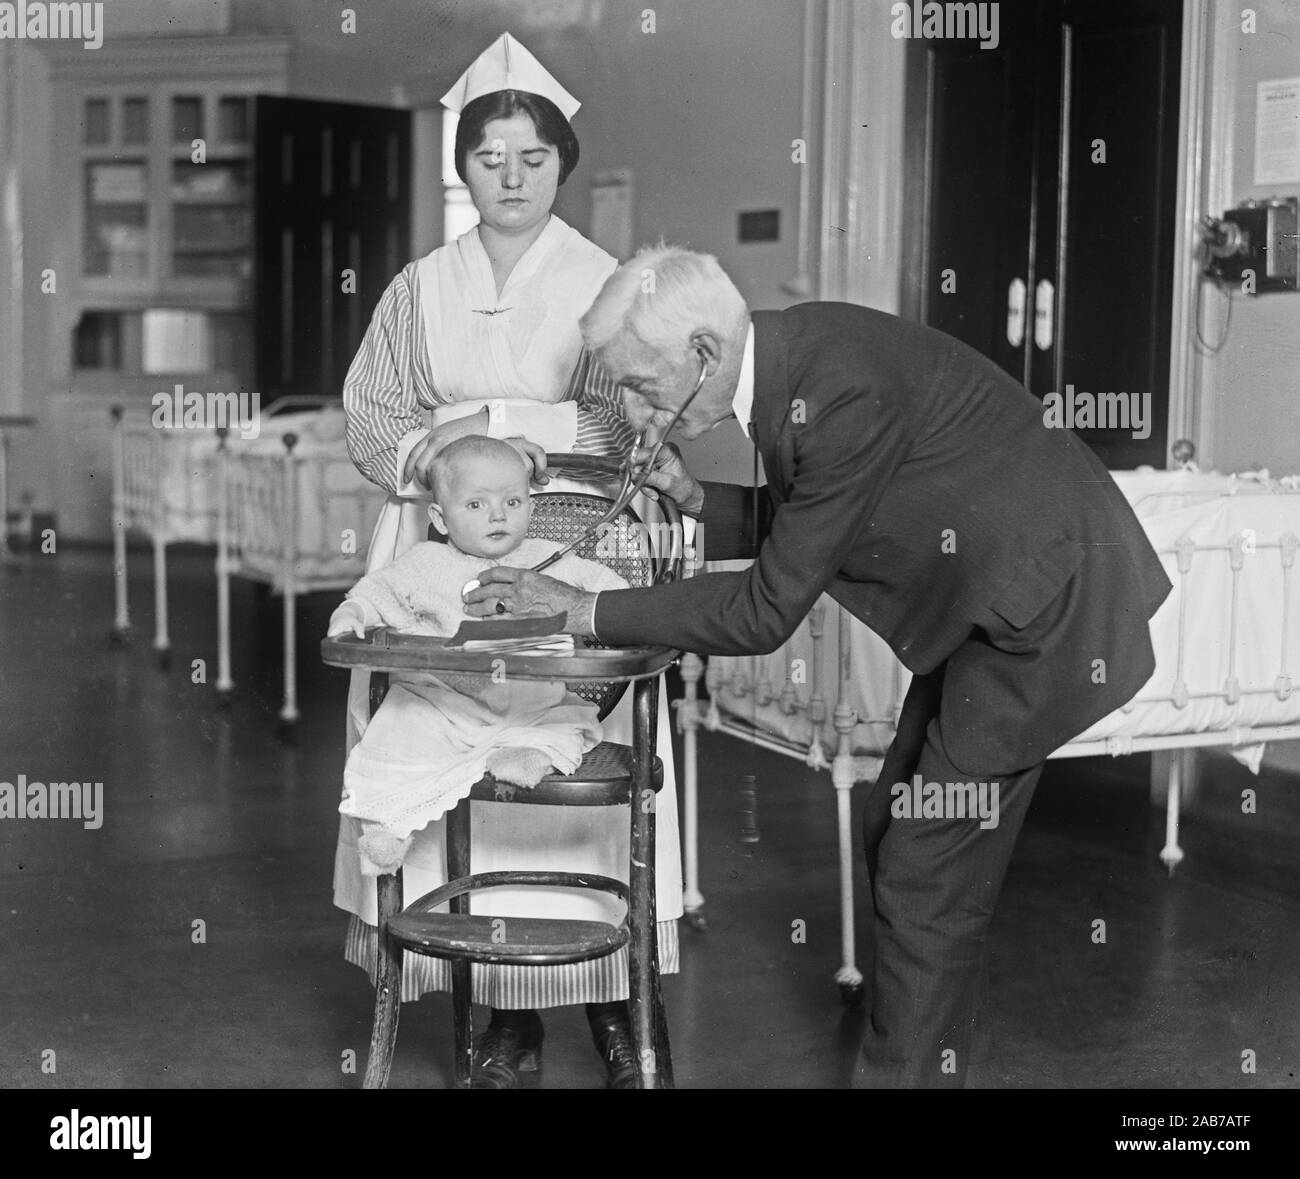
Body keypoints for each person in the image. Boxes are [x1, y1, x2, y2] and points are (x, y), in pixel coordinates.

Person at [466, 244, 1174, 1089]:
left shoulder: (836, 393)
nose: (628, 406)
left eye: (640, 384)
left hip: (1049, 612)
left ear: (702, 356)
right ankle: (928, 1048)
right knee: (899, 833)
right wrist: (697, 502)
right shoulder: (798, 361)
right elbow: (821, 522)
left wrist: (582, 610)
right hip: (997, 601)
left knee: (923, 862)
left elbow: (767, 608)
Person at [337, 34, 683, 1090]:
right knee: (450, 741)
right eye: (489, 156)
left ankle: (619, 1006)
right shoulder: (417, 286)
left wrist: (532, 444)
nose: (511, 176)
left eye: (532, 155)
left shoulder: (605, 284)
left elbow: (634, 422)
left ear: (561, 164)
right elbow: (372, 411)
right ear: (463, 167)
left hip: (573, 536)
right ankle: (498, 1011)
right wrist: (439, 454)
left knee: (572, 751)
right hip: (443, 541)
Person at [328, 436, 627, 877]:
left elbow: (611, 591)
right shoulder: (425, 562)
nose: (498, 515)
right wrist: (351, 613)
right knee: (395, 731)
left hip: (528, 701)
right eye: (475, 505)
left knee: (566, 722)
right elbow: (377, 592)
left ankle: (526, 752)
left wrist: (618, 603)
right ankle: (387, 826)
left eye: (513, 500)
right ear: (440, 518)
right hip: (445, 705)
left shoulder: (547, 558)